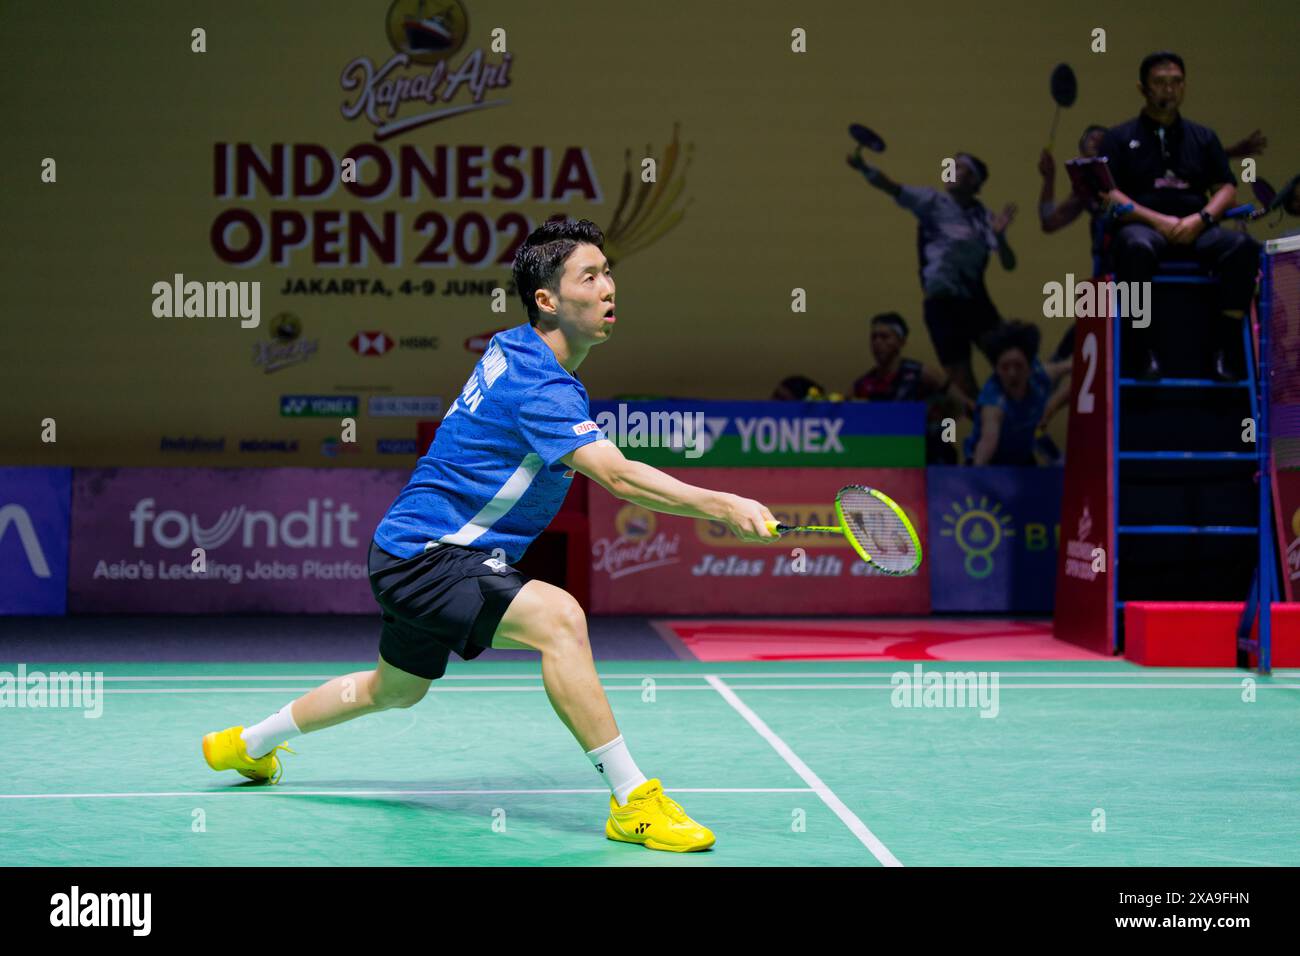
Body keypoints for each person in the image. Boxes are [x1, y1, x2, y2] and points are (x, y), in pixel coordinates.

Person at [202, 218, 780, 853]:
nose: (610, 287)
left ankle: (245, 745)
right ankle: (632, 800)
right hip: (433, 556)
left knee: (392, 689)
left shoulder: (514, 347)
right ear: (547, 300)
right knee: (560, 619)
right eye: (590, 276)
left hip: (404, 551)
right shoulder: (541, 384)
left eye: (609, 272)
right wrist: (722, 504)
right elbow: (617, 477)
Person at [1098, 51, 1261, 381]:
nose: (1168, 90)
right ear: (1142, 89)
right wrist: (1160, 222)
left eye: (1176, 83)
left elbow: (1227, 188)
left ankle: (1225, 349)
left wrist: (1200, 219)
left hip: (1197, 228)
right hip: (1143, 228)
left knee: (1243, 247)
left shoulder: (1203, 137)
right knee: (1134, 249)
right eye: (1159, 83)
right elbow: (1109, 195)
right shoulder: (1117, 138)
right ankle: (1141, 349)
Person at [847, 147, 1017, 403]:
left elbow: (1009, 264)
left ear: (974, 181)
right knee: (963, 388)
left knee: (1012, 361)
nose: (951, 169)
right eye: (951, 164)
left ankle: (1024, 421)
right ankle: (989, 428)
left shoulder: (985, 218)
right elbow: (891, 187)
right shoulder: (931, 201)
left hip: (976, 302)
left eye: (960, 167)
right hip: (942, 307)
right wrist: (863, 167)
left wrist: (1001, 239)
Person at [851, 311, 973, 463]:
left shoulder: (924, 374)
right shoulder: (863, 384)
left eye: (884, 337)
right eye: (874, 337)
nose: (877, 342)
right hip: (885, 458)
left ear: (901, 341)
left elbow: (961, 405)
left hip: (928, 458)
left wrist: (946, 438)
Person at [966, 322, 1071, 466]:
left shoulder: (1041, 375)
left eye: (1018, 365)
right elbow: (988, 440)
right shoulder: (993, 404)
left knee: (1038, 433)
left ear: (1030, 366)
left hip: (1022, 455)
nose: (1012, 373)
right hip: (989, 463)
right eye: (1005, 367)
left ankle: (1052, 455)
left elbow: (1077, 365)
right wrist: (976, 474)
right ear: (996, 369)